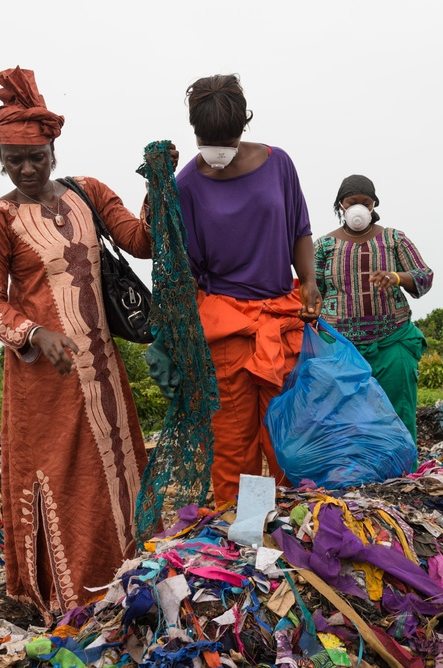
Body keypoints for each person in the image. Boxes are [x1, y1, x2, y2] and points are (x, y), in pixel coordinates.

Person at [0, 67, 175, 621]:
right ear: (1, 159)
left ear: (53, 150)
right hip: (45, 379)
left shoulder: (89, 193)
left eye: (36, 157)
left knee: (119, 466)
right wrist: (35, 333)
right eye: (15, 160)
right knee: (64, 478)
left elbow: (141, 241)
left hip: (103, 368)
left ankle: (131, 580)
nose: (28, 169)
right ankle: (72, 596)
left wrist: (158, 185)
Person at [175, 74, 321, 506]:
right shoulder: (186, 185)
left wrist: (309, 281)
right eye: (206, 138)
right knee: (236, 448)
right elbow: (188, 266)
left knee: (286, 439)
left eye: (225, 138)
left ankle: (290, 535)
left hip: (282, 321)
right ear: (195, 133)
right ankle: (246, 539)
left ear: (243, 128)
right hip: (226, 327)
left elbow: (300, 230)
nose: (216, 147)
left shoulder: (279, 165)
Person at [314, 175, 432, 445]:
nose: (358, 208)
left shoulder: (394, 239)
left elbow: (424, 276)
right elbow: (314, 291)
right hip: (341, 350)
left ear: (374, 205)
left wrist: (397, 277)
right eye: (351, 202)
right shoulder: (323, 246)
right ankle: (352, 478)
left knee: (398, 415)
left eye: (365, 202)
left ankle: (402, 477)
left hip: (392, 343)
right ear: (340, 206)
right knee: (344, 420)